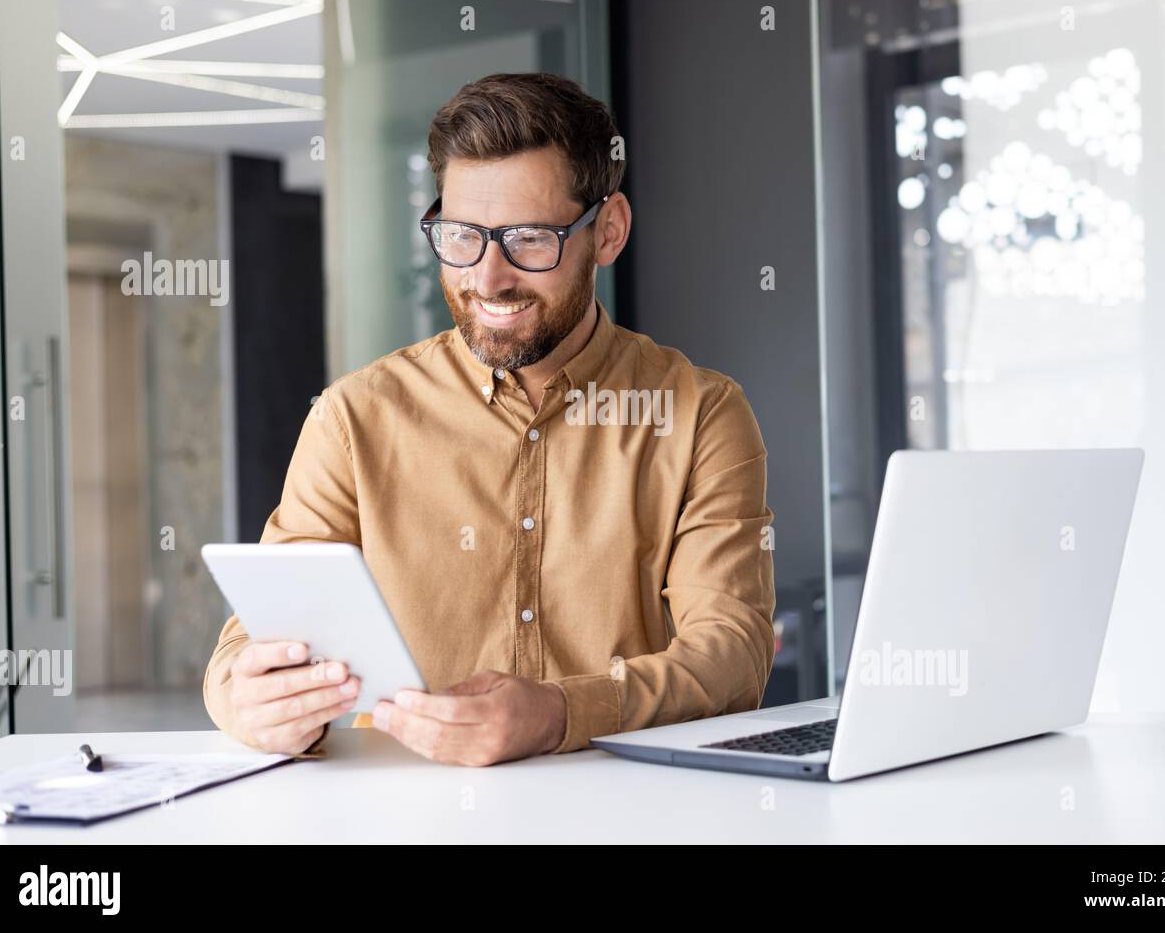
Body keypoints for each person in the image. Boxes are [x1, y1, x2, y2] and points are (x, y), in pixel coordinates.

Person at [202, 72, 775, 765]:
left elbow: (732, 655)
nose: (489, 276)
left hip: (625, 818)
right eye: (462, 235)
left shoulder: (701, 414)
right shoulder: (353, 417)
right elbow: (248, 645)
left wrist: (562, 711)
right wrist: (249, 700)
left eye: (530, 239)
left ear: (610, 230)